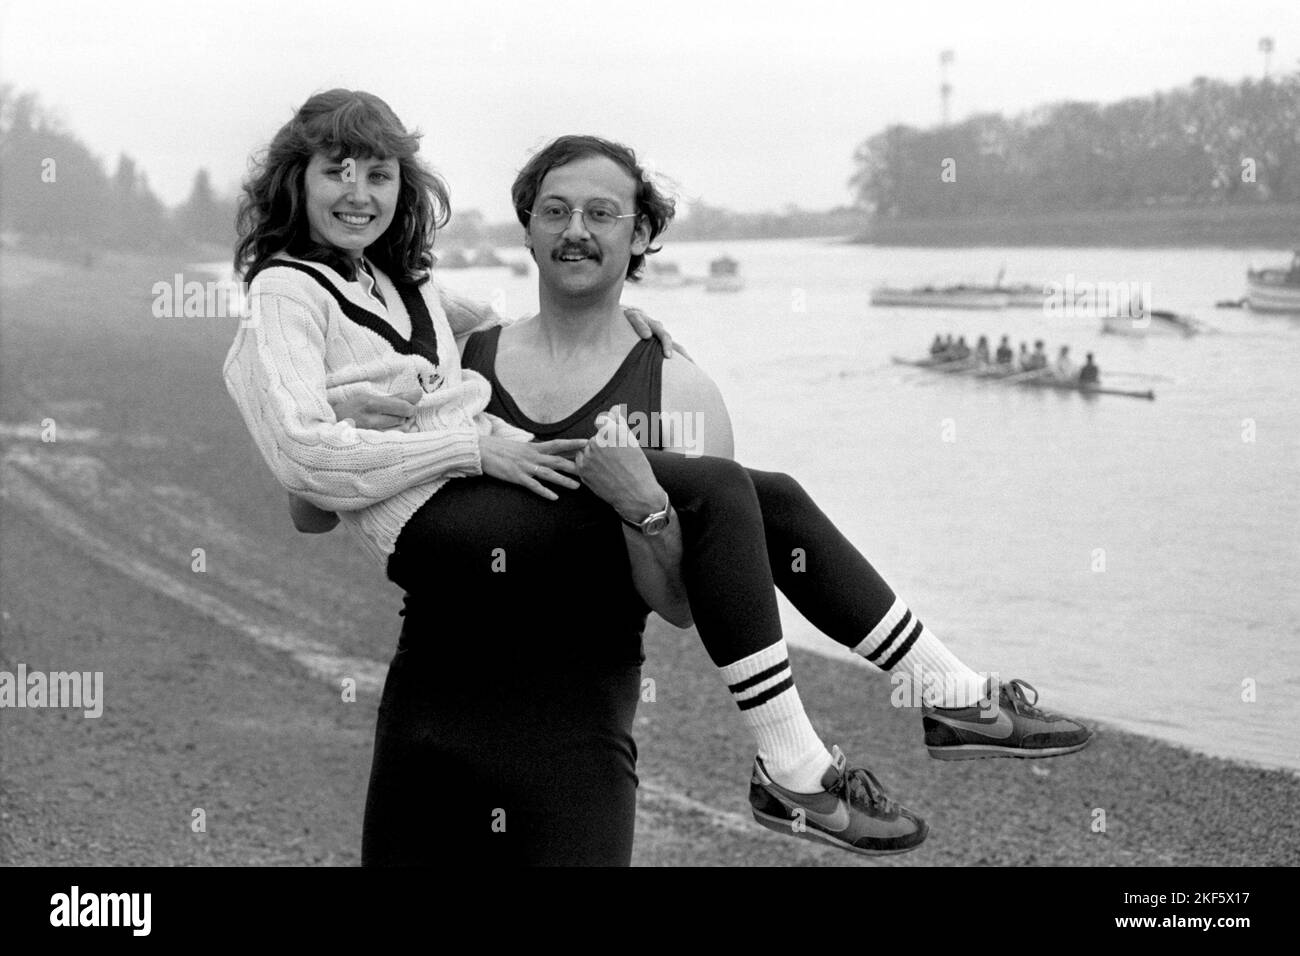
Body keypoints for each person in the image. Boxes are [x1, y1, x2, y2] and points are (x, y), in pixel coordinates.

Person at [225, 94, 1090, 865]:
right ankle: (815, 756)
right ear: (526, 228)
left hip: (578, 733)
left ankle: (946, 699)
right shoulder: (347, 309)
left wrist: (642, 498)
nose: (577, 230)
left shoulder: (425, 294)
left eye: (603, 214)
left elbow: (683, 601)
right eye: (556, 211)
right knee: (729, 488)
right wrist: (451, 445)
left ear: (638, 237)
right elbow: (311, 481)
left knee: (757, 493)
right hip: (434, 662)